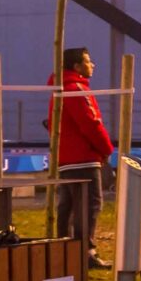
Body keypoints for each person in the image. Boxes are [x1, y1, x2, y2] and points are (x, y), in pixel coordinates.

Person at [47, 46, 113, 243]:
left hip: (66, 158)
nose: (92, 65)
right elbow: (91, 123)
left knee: (67, 206)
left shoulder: (59, 90)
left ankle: (64, 249)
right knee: (90, 204)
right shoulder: (76, 90)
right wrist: (106, 149)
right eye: (88, 61)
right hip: (83, 158)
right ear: (77, 66)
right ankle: (85, 251)